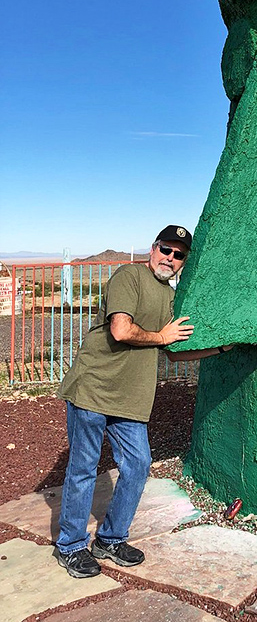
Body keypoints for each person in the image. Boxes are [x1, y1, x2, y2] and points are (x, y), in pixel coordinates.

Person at [54, 225, 194, 578]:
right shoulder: (129, 276)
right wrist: (161, 335)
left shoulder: (169, 297)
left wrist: (227, 347)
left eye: (179, 255)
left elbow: (172, 350)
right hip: (94, 389)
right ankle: (70, 545)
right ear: (153, 248)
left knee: (138, 464)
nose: (170, 258)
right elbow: (120, 329)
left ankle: (110, 538)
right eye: (166, 249)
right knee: (84, 468)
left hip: (130, 398)